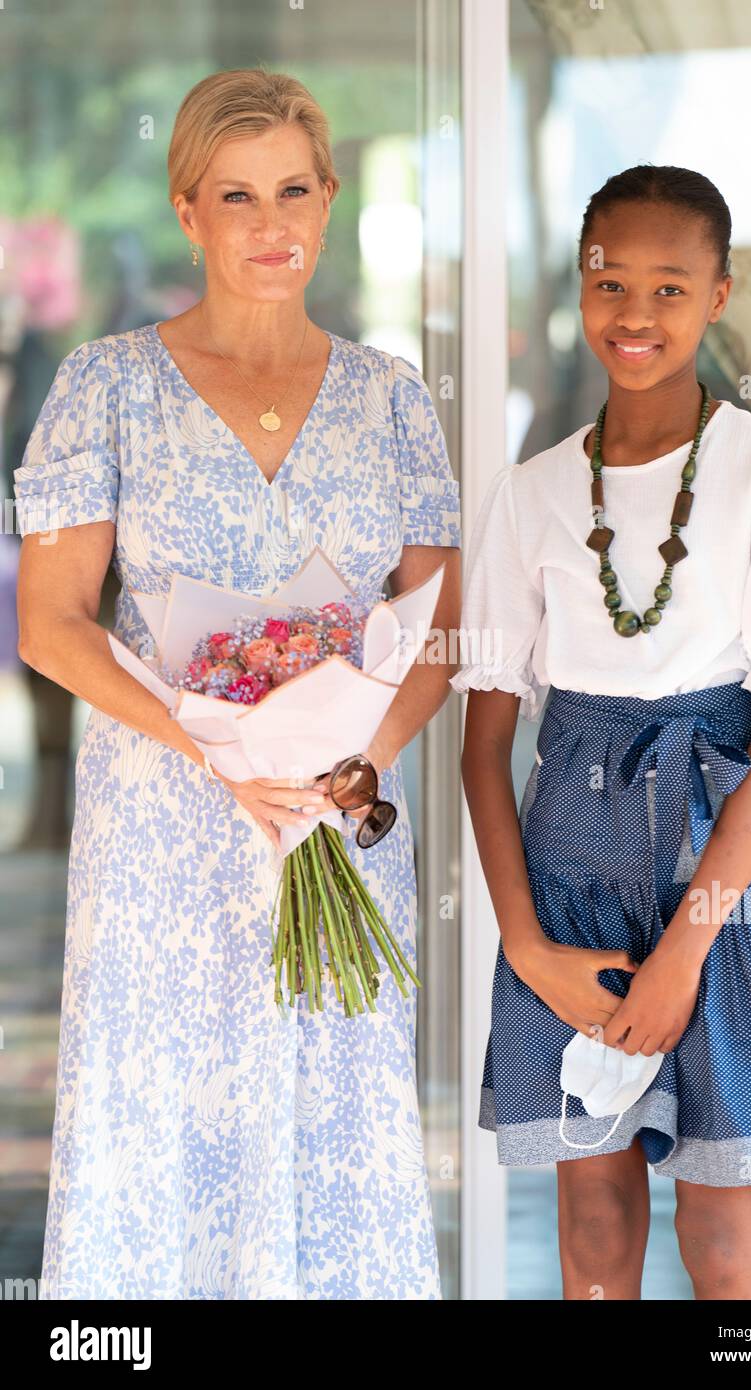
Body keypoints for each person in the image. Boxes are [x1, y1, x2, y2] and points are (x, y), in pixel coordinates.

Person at [15, 67, 461, 1300]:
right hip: (164, 818)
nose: (271, 224)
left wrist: (352, 765)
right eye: (236, 194)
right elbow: (55, 628)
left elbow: (435, 633)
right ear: (187, 213)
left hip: (338, 811)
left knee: (331, 1094)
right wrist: (215, 748)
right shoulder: (103, 386)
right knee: (158, 1102)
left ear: (327, 203)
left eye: (294, 191)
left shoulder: (393, 401)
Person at [450, 164, 751, 1301]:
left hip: (721, 878)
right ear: (580, 286)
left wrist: (686, 950)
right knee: (590, 1216)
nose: (633, 314)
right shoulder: (531, 493)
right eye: (609, 280)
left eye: (669, 288)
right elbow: (481, 745)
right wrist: (530, 947)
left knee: (723, 1223)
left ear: (719, 297)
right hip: (568, 878)